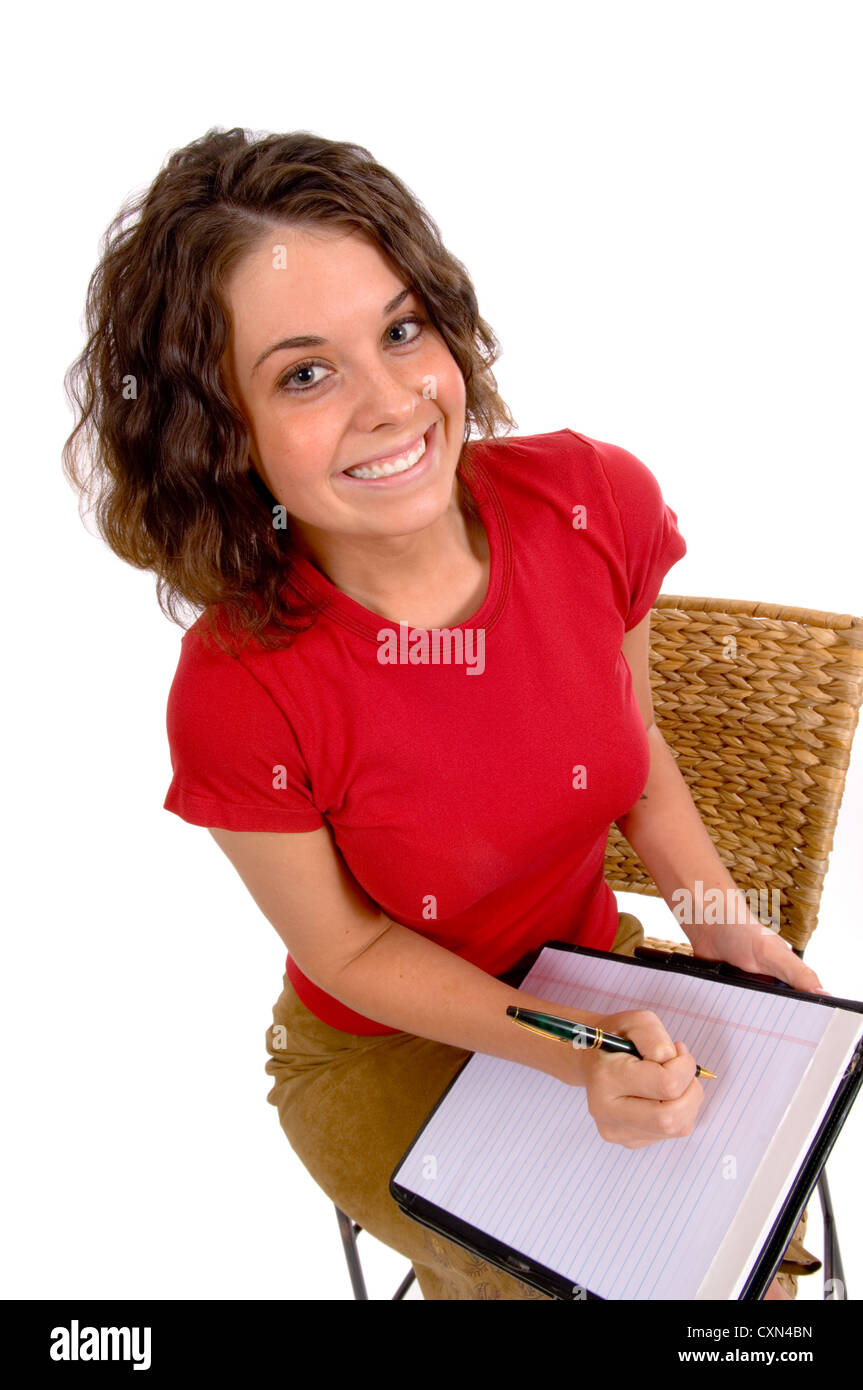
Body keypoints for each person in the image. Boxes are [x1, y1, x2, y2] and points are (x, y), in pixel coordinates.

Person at [62, 126, 824, 1300]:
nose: (392, 402)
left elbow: (638, 758)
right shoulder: (238, 690)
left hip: (582, 969)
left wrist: (720, 923)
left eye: (402, 330)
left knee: (729, 1270)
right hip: (380, 1050)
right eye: (304, 372)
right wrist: (577, 1051)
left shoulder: (590, 501)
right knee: (602, 1279)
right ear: (218, 434)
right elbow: (352, 949)